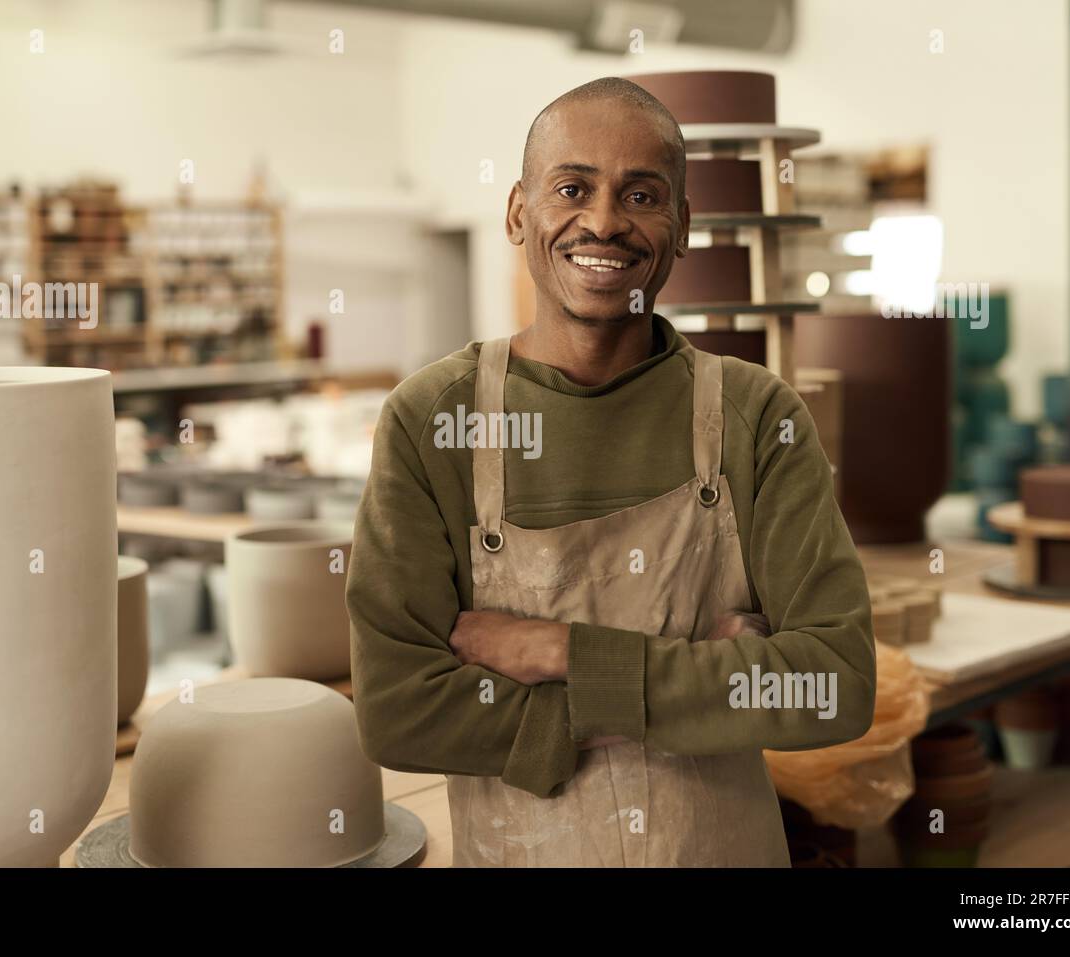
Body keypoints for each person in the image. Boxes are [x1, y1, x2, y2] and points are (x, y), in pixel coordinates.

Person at [346, 76, 876, 867]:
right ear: (519, 213)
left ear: (684, 226)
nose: (603, 221)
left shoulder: (756, 416)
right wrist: (706, 671)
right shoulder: (433, 421)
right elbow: (397, 712)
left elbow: (830, 684)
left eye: (641, 194)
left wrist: (561, 652)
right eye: (572, 187)